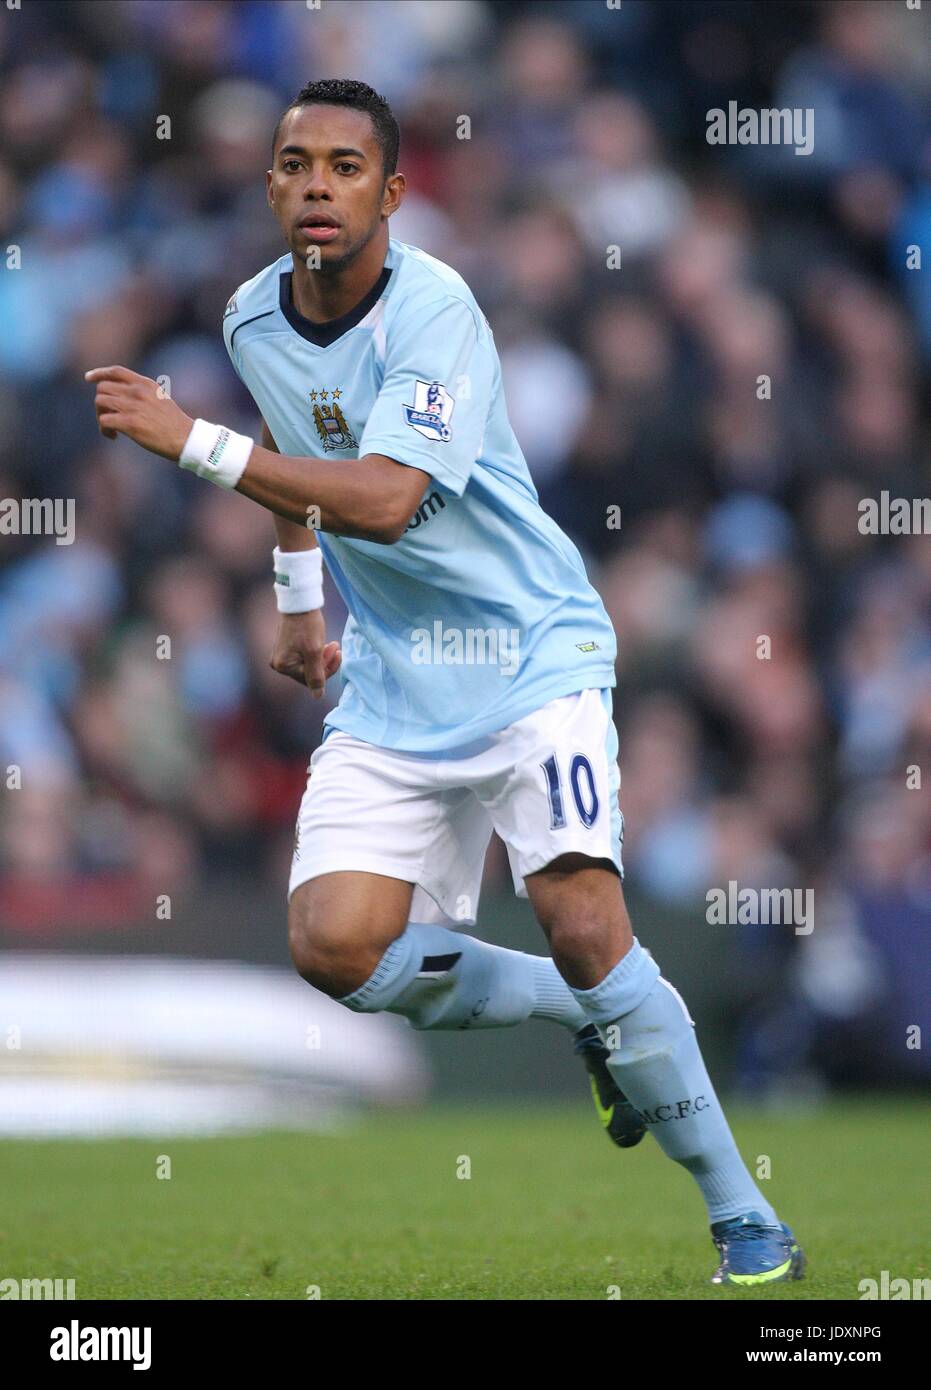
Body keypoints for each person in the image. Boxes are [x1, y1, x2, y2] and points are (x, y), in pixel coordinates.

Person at [85, 78, 804, 1287]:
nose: (317, 184)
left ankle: (744, 1216)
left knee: (585, 920)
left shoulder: (437, 310)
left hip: (529, 652)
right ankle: (585, 1015)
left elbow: (387, 492)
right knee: (335, 944)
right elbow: (297, 476)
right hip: (396, 678)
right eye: (295, 163)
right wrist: (301, 608)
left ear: (392, 193)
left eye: (345, 167)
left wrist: (189, 443)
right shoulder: (249, 320)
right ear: (268, 185)